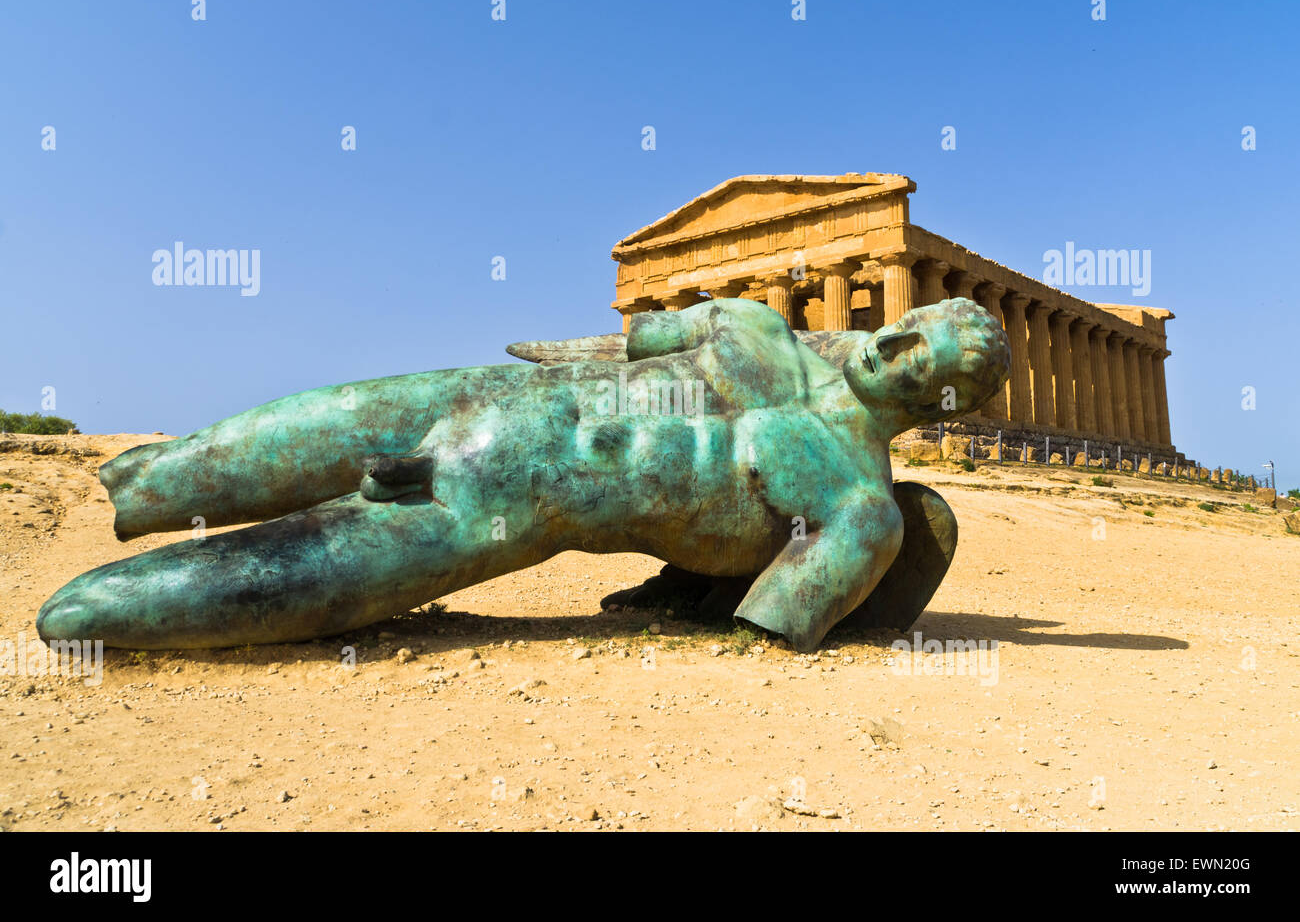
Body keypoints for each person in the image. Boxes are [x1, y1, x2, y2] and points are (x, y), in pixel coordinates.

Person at [37, 297, 1009, 653]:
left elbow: (774, 618)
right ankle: (139, 496)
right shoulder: (757, 327)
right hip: (478, 395)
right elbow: (613, 345)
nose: (897, 341)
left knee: (89, 614)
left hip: (507, 499)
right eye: (913, 325)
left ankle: (89, 612)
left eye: (933, 363)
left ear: (947, 406)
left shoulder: (857, 507)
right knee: (161, 475)